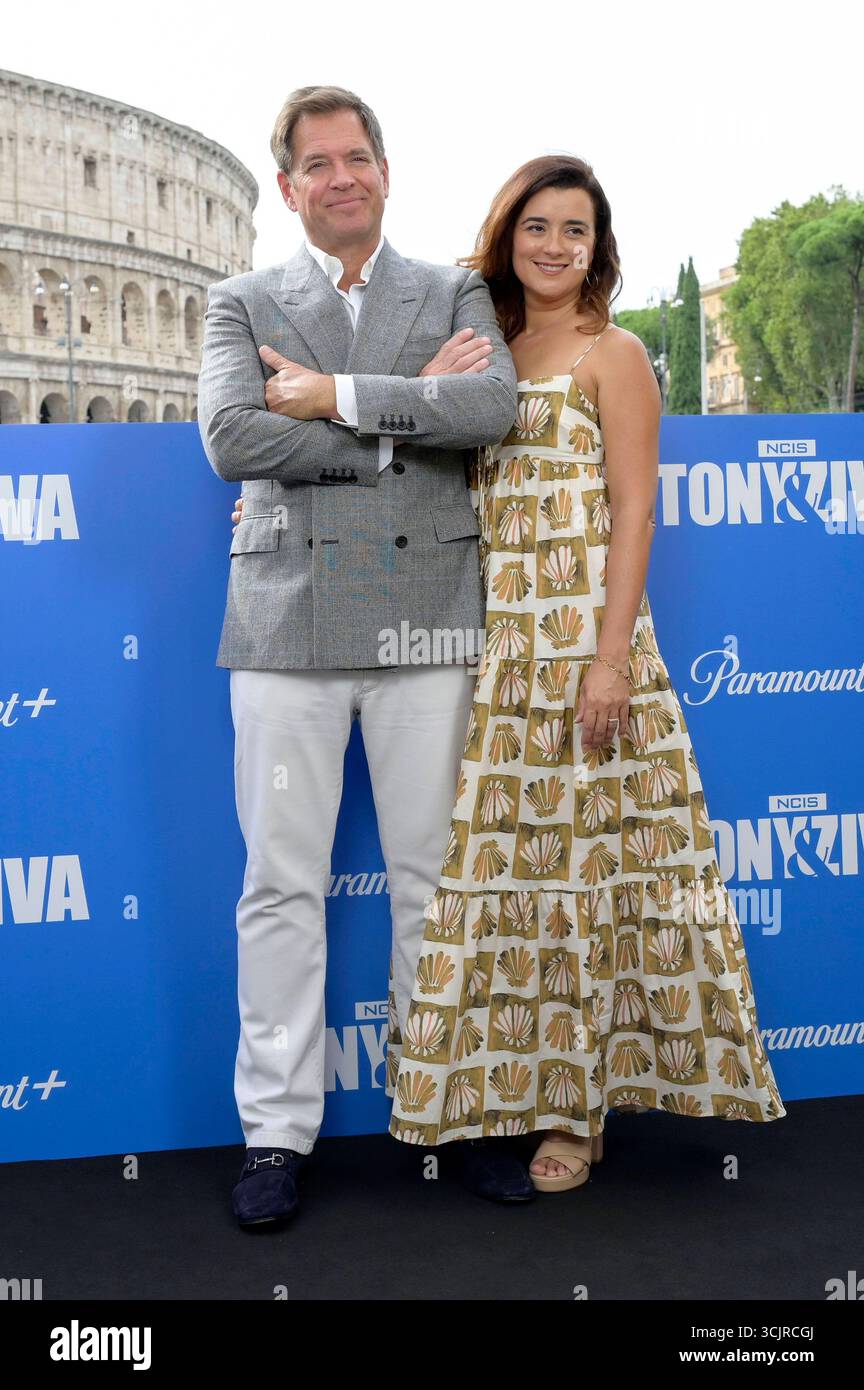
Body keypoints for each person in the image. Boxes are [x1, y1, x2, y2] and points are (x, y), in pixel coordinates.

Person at [383, 154, 787, 1195]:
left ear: (597, 246)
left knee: (597, 880)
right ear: (507, 234)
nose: (557, 245)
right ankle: (519, 1086)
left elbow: (636, 511)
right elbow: (434, 483)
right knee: (518, 892)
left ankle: (583, 1111)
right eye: (538, 227)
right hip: (497, 655)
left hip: (588, 658)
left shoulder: (617, 353)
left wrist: (609, 662)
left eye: (577, 229)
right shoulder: (483, 352)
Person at [197, 84, 517, 1228]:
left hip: (427, 614)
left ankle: (446, 1109)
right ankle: (275, 1132)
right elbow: (234, 438)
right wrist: (402, 419)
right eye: (317, 163)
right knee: (279, 884)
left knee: (434, 880)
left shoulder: (454, 289)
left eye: (358, 157)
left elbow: (486, 409)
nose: (342, 177)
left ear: (386, 169)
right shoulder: (239, 299)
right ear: (287, 187)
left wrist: (332, 399)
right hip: (287, 621)